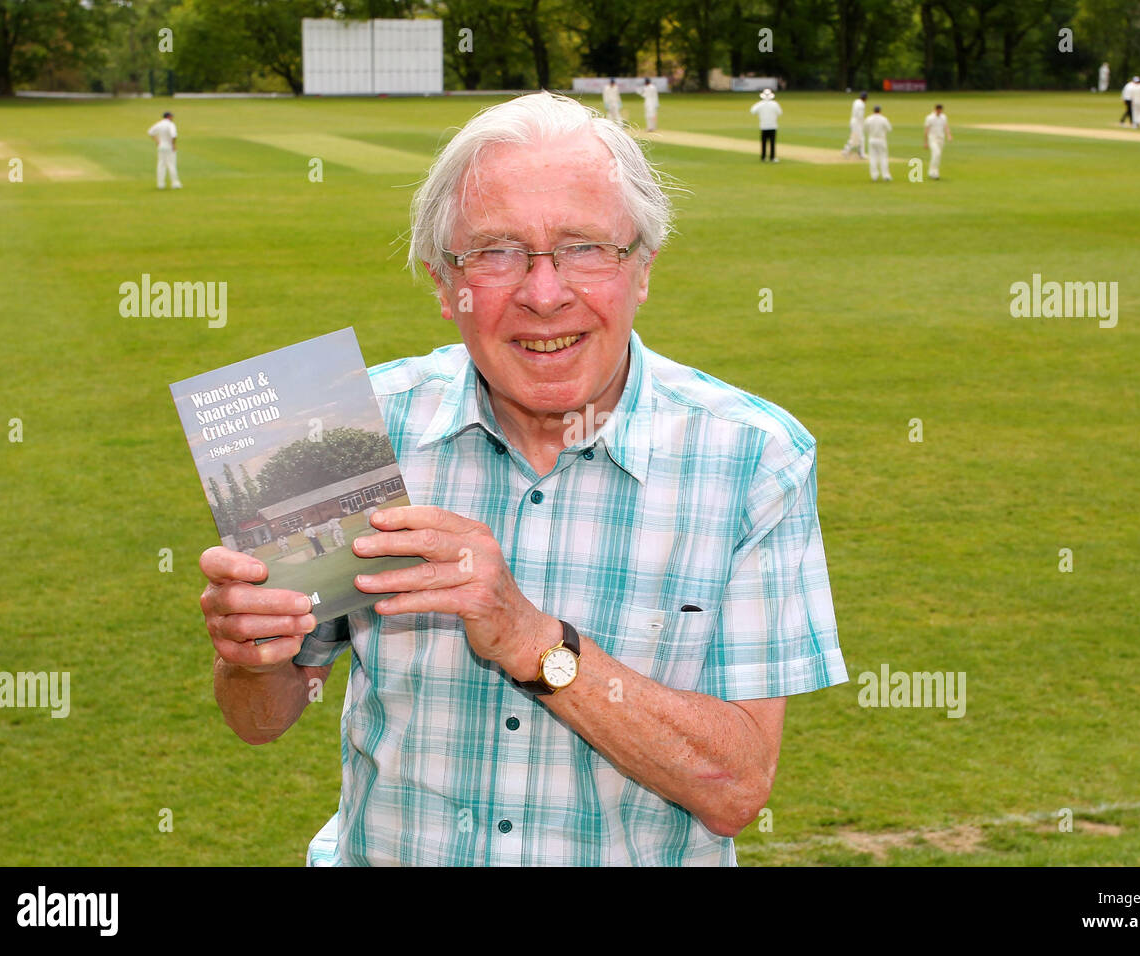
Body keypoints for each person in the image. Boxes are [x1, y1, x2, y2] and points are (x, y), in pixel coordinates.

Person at [199, 91, 847, 867]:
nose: (544, 294)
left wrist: (529, 638)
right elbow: (259, 718)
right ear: (445, 284)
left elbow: (735, 787)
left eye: (584, 248)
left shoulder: (755, 458)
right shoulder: (343, 431)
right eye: (498, 252)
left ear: (641, 270)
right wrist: (251, 655)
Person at [147, 110, 181, 190]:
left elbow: (150, 132)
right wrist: (173, 144)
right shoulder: (171, 124)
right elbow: (174, 135)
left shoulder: (159, 124)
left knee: (161, 165)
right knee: (171, 164)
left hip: (161, 145)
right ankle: (175, 183)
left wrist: (157, 141)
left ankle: (160, 184)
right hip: (169, 145)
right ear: (169, 117)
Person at [750, 88, 782, 162]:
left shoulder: (760, 104)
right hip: (772, 126)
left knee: (764, 143)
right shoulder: (775, 104)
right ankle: (772, 157)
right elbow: (780, 113)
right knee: (772, 143)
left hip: (763, 126)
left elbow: (752, 111)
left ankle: (763, 157)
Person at [923, 103, 952, 180]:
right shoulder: (930, 118)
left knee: (938, 156)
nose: (939, 112)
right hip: (932, 139)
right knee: (936, 153)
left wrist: (949, 135)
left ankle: (933, 172)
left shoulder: (943, 117)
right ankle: (933, 173)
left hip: (941, 139)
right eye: (938, 110)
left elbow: (946, 126)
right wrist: (925, 142)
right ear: (936, 109)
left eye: (941, 110)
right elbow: (926, 130)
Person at [865, 105, 892, 182]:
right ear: (880, 111)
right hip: (881, 140)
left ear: (873, 111)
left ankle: (874, 176)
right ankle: (886, 175)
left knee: (873, 158)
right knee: (883, 157)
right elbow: (889, 129)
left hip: (872, 139)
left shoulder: (869, 119)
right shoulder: (883, 119)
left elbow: (866, 129)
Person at [841, 91, 868, 159]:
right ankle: (861, 154)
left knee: (855, 138)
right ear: (865, 98)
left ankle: (846, 151)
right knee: (860, 138)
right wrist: (862, 123)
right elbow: (860, 116)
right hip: (857, 122)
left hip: (853, 121)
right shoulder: (862, 104)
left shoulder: (856, 101)